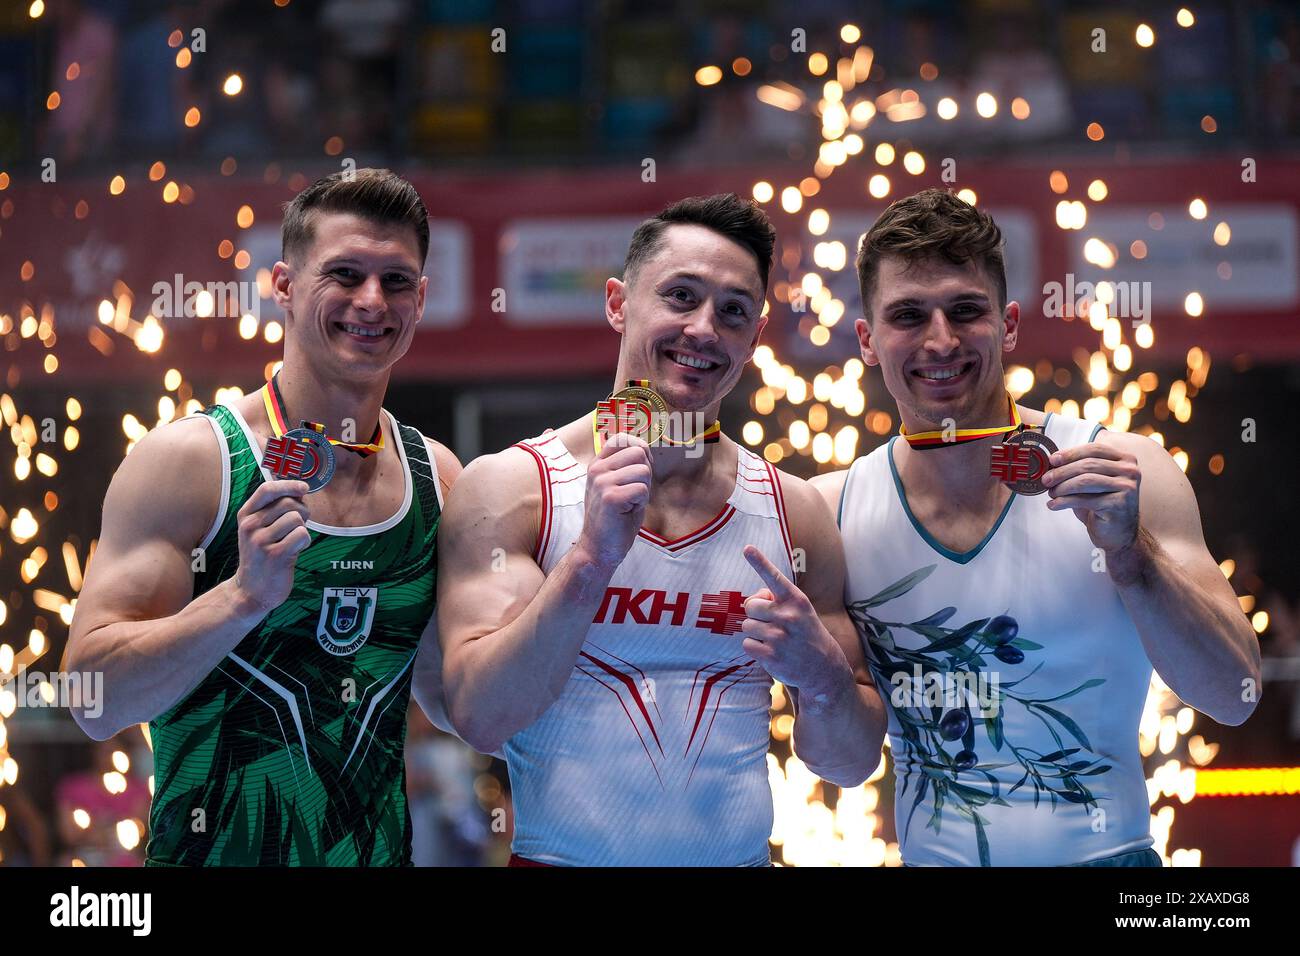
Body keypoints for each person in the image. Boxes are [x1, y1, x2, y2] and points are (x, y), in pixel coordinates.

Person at [812, 188, 1261, 866]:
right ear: (868, 340)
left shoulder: (1126, 468)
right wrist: (808, 673)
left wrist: (1132, 559)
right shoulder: (832, 512)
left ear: (1010, 324)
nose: (941, 339)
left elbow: (1234, 697)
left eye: (966, 310)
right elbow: (841, 766)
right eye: (909, 315)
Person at [437, 193, 886, 866]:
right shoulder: (514, 490)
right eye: (681, 297)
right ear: (619, 303)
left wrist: (821, 676)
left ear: (754, 337)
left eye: (733, 311)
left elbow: (847, 765)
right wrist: (589, 561)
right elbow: (481, 717)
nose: (704, 329)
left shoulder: (794, 512)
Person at [66, 168, 461, 866]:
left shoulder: (440, 480)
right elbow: (91, 701)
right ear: (282, 286)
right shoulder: (190, 463)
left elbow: (468, 706)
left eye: (396, 281)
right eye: (344, 274)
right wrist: (241, 599)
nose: (372, 302)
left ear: (422, 298)